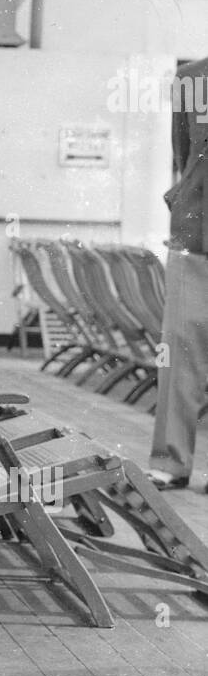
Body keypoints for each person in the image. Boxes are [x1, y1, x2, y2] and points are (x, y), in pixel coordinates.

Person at [148, 54, 208, 489]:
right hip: (194, 236)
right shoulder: (190, 79)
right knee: (178, 354)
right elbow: (181, 153)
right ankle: (170, 462)